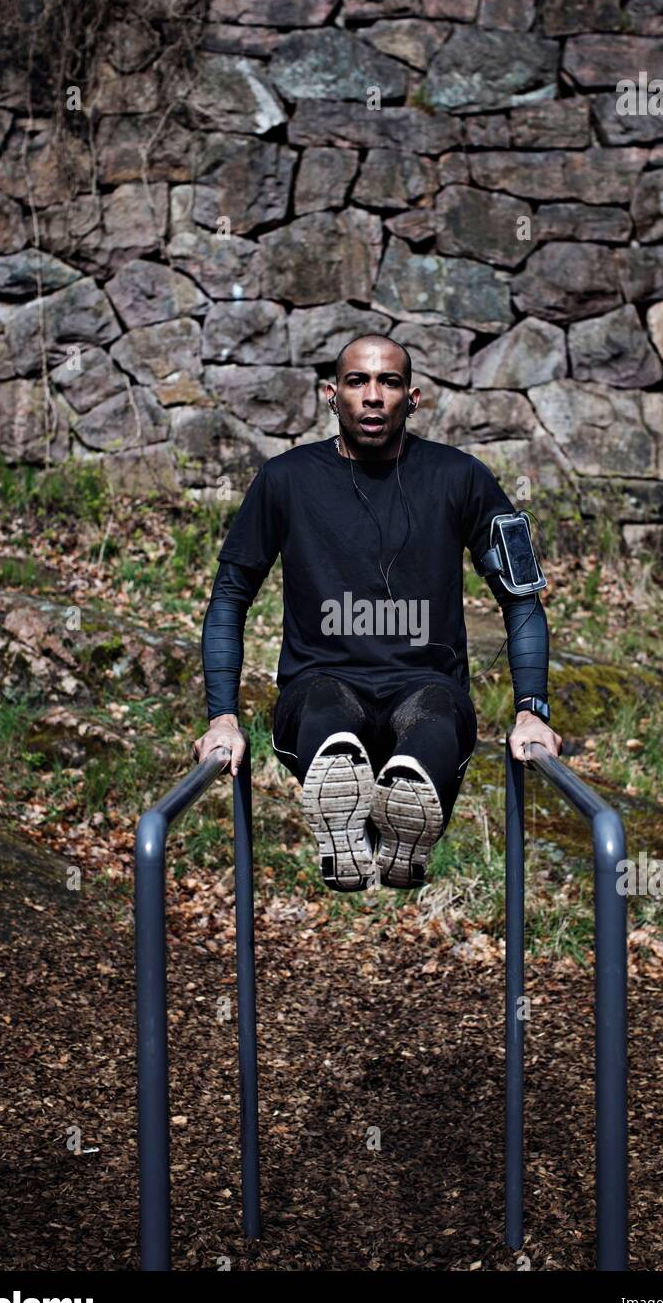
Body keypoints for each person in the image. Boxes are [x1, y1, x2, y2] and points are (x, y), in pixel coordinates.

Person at [192, 334, 562, 891]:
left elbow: (521, 596)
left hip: (425, 686)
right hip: (321, 684)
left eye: (388, 382)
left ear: (412, 399)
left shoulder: (460, 478)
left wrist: (532, 710)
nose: (372, 396)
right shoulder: (285, 479)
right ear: (331, 393)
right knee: (327, 720)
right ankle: (344, 822)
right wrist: (222, 717)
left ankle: (403, 833)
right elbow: (230, 596)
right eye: (357, 381)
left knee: (436, 718)